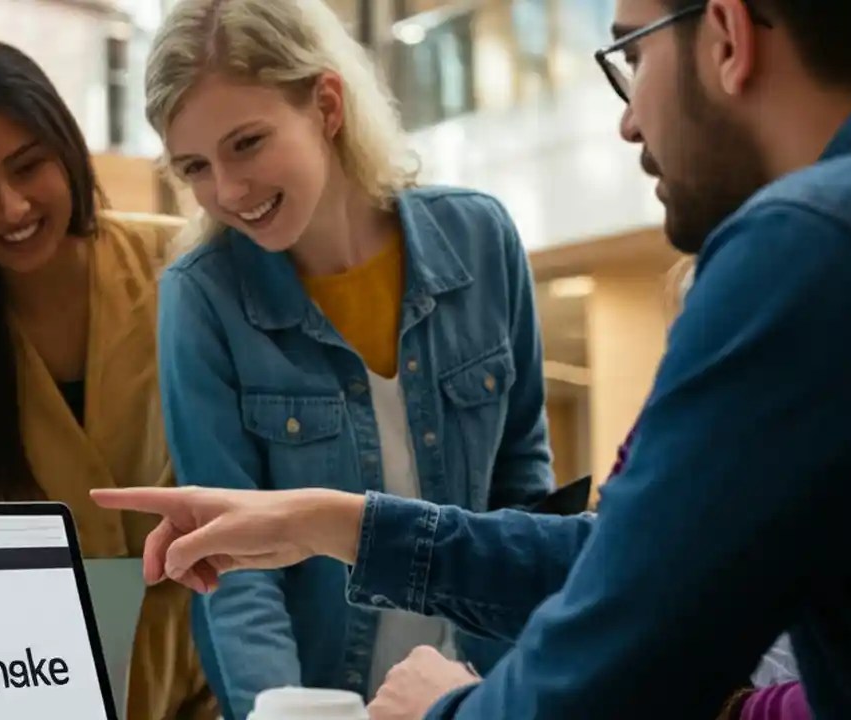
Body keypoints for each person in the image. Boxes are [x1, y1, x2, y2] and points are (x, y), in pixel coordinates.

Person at [94, 0, 851, 716]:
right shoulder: (844, 230)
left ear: (729, 34)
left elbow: (627, 620)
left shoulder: (808, 247)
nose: (626, 120)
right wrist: (337, 524)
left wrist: (454, 705)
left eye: (632, 53)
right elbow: (620, 564)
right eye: (194, 167)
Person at [143, 0, 554, 715]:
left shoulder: (480, 238)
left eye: (247, 143)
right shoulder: (201, 298)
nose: (228, 191)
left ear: (327, 105)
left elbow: (523, 495)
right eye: (195, 166)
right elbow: (235, 571)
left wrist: (512, 693)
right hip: (319, 701)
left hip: (478, 694)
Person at [0, 41, 217, 720]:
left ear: (66, 150)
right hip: (34, 678)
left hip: (208, 664)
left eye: (27, 166)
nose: (11, 207)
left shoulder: (181, 264)